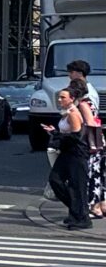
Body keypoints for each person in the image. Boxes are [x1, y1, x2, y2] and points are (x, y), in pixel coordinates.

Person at [53, 88, 93, 229]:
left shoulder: (73, 114)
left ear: (71, 98)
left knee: (77, 186)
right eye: (59, 97)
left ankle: (82, 218)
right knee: (55, 180)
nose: (59, 100)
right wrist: (55, 133)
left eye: (63, 97)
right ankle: (77, 211)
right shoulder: (66, 113)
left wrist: (56, 136)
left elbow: (76, 137)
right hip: (67, 152)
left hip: (76, 154)